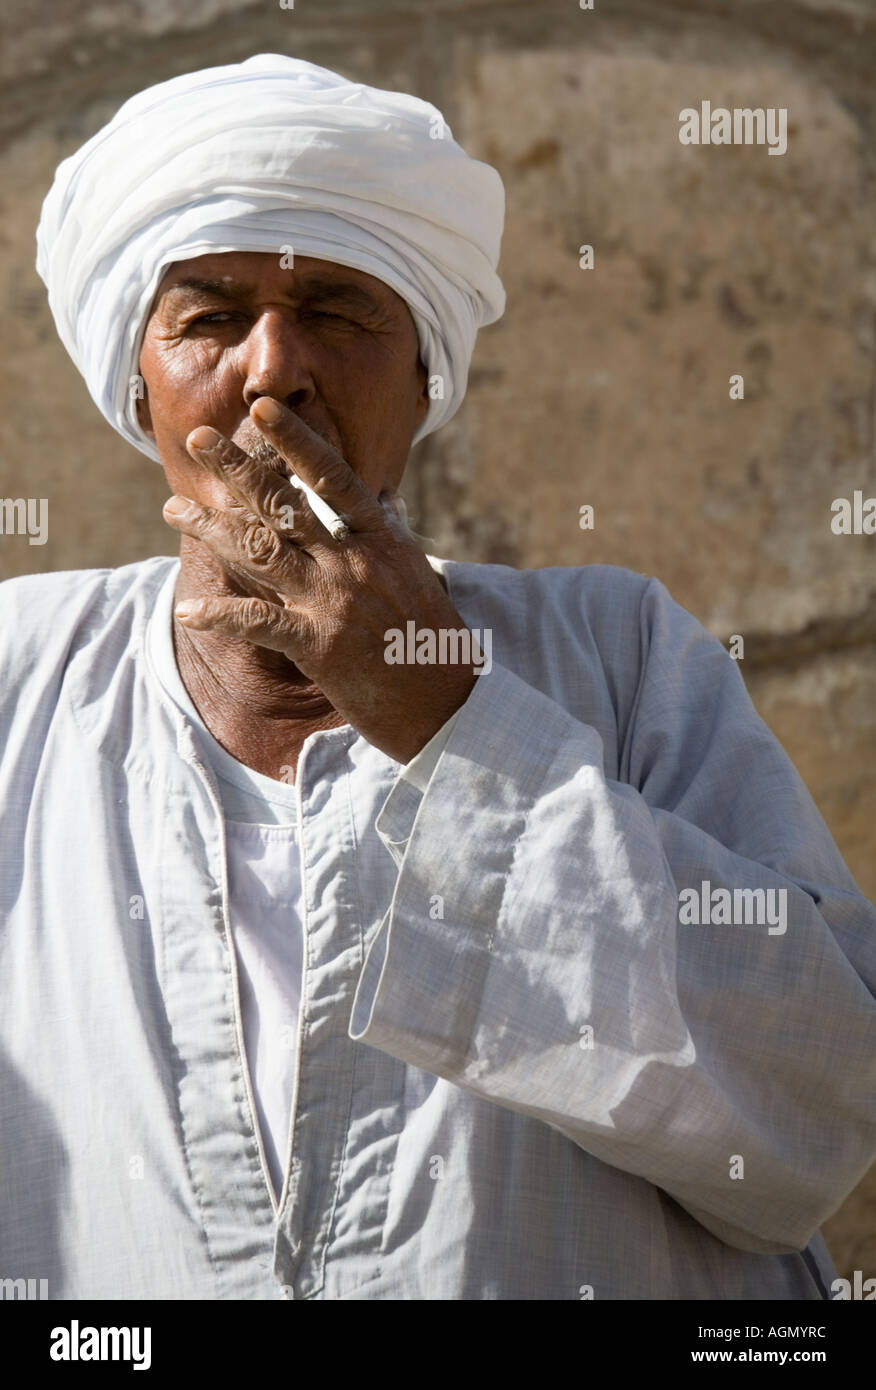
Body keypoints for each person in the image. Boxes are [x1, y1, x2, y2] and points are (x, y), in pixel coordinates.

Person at [1, 52, 873, 1301]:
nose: (271, 371)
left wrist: (448, 721)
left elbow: (815, 1117)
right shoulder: (18, 681)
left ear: (426, 381)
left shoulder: (616, 653)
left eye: (341, 312)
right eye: (206, 316)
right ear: (137, 390)